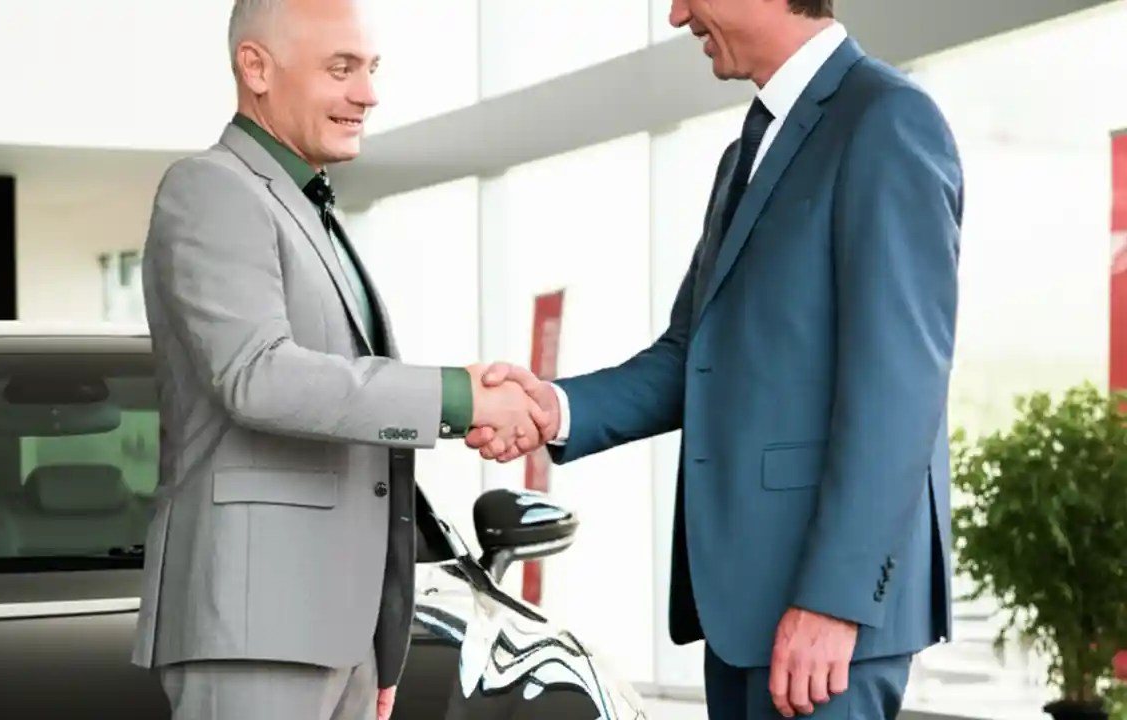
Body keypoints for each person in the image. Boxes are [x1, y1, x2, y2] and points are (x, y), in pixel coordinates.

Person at [468, 1, 963, 718]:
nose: (676, 15)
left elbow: (901, 388)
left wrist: (835, 601)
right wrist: (555, 407)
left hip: (825, 618)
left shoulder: (886, 120)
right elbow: (691, 355)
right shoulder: (748, 153)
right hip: (743, 608)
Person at [130, 1, 546, 718]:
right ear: (256, 68)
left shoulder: (307, 209)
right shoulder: (212, 188)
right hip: (257, 631)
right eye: (342, 68)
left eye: (372, 68)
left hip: (336, 639)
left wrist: (376, 642)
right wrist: (460, 398)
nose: (369, 93)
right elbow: (258, 376)